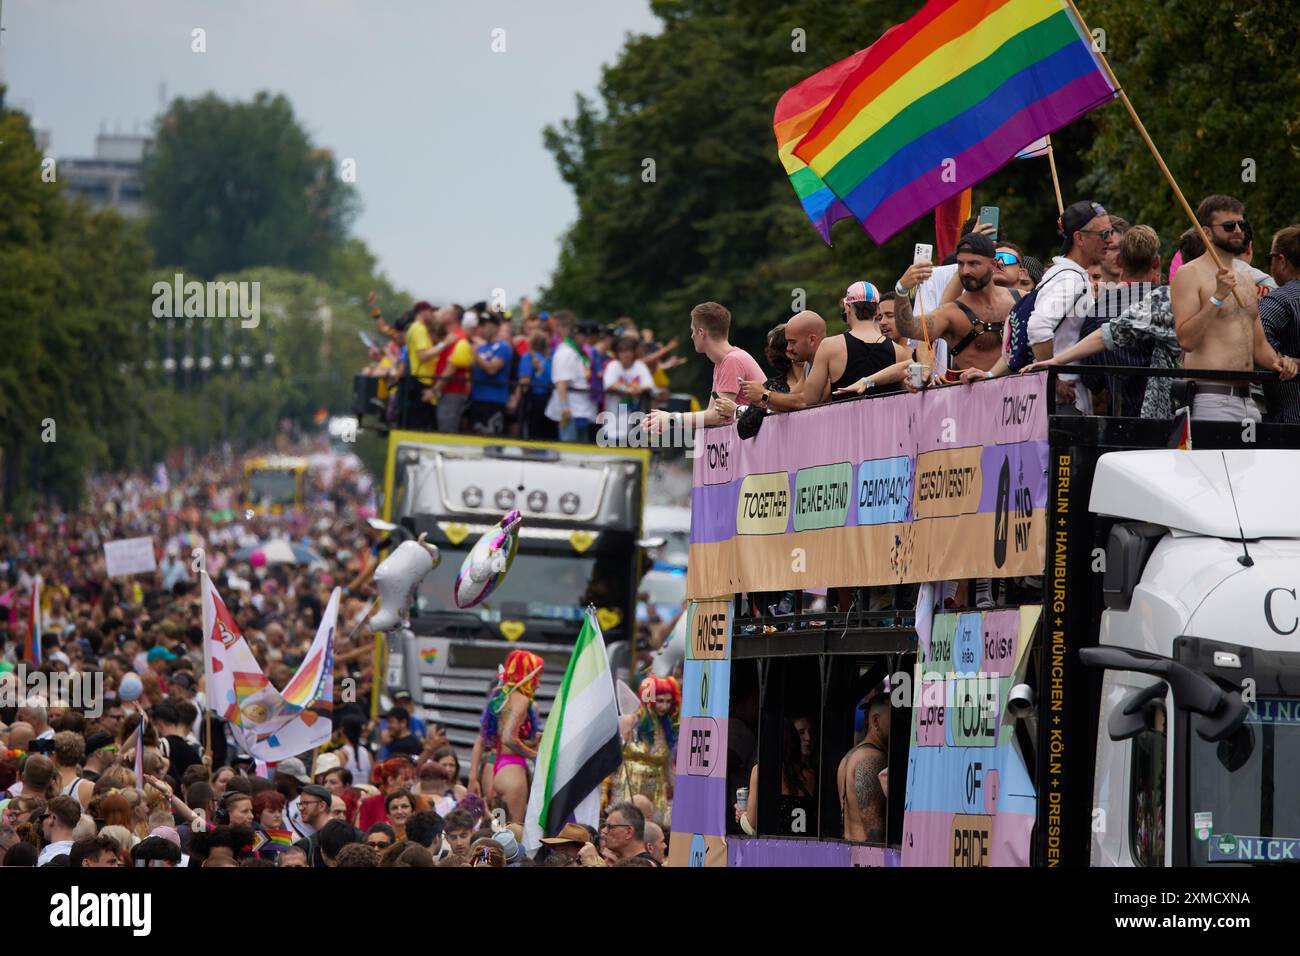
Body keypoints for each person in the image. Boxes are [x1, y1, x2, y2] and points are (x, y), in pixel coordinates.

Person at [1173, 195, 1297, 422]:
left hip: (1248, 401)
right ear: (1207, 232)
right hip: (1211, 399)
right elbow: (1186, 340)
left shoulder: (1247, 280)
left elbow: (1259, 344)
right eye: (1229, 226)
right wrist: (1218, 297)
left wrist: (1279, 362)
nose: (1238, 230)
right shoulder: (1188, 274)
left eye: (1242, 224)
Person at [893, 233, 1020, 384]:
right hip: (979, 402)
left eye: (973, 264)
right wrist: (901, 289)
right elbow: (909, 329)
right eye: (961, 264)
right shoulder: (952, 313)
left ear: (993, 265)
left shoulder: (1020, 299)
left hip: (1023, 400)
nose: (965, 271)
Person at [646, 301, 764, 435]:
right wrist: (671, 423)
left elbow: (717, 417)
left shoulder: (732, 360)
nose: (692, 336)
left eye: (692, 330)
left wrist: (671, 419)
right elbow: (711, 415)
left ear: (701, 333)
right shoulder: (722, 363)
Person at [479, 649, 544, 824]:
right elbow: (509, 737)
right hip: (513, 771)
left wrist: (532, 741)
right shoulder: (522, 699)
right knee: (514, 830)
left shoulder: (500, 695)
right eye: (537, 677)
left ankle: (487, 854)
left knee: (497, 829)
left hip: (494, 769)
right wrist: (535, 755)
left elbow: (497, 735)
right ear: (527, 675)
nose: (539, 684)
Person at [605, 675, 678, 826]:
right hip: (628, 784)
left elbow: (668, 765)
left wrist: (679, 792)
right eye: (660, 701)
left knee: (654, 830)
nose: (664, 706)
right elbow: (612, 755)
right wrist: (604, 788)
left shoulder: (666, 728)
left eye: (668, 701)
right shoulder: (630, 721)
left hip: (655, 790)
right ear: (650, 699)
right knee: (625, 825)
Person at [734, 310, 824, 411]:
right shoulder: (809, 365)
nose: (788, 348)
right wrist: (761, 398)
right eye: (787, 342)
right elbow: (792, 398)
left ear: (812, 340)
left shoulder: (827, 360)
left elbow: (804, 401)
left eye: (793, 342)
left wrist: (764, 394)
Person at [1260, 225, 1300, 423]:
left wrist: (1282, 360)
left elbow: (1258, 337)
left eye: (1271, 258)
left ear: (1281, 261)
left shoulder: (1279, 300)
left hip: (1291, 418)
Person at [837, 695, 890, 843]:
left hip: (850, 853)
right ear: (875, 721)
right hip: (867, 858)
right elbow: (874, 831)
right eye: (894, 718)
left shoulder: (848, 758)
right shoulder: (872, 758)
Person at [545, 311, 600, 442]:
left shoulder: (578, 353)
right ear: (576, 335)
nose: (586, 339)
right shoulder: (566, 352)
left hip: (581, 410)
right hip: (571, 411)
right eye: (583, 335)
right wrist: (565, 408)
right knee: (569, 450)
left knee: (581, 451)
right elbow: (561, 382)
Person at [600, 336, 656, 442]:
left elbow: (649, 385)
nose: (626, 355)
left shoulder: (640, 366)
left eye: (629, 351)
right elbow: (609, 384)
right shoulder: (613, 366)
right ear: (618, 354)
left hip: (636, 420)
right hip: (614, 419)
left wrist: (637, 389)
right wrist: (626, 389)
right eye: (623, 351)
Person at [468, 312, 513, 436]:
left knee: (492, 437)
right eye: (481, 325)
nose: (482, 328)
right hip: (477, 398)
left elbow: (492, 369)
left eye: (485, 325)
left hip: (494, 400)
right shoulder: (482, 347)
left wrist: (475, 356)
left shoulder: (503, 347)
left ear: (495, 327)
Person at [516, 329, 555, 440]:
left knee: (530, 434)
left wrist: (516, 400)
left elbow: (524, 382)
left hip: (532, 401)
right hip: (548, 400)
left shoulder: (527, 357)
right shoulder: (549, 360)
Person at [38, 794, 81, 865]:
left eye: (43, 817)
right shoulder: (81, 855)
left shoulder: (47, 858)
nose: (42, 823)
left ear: (52, 818)